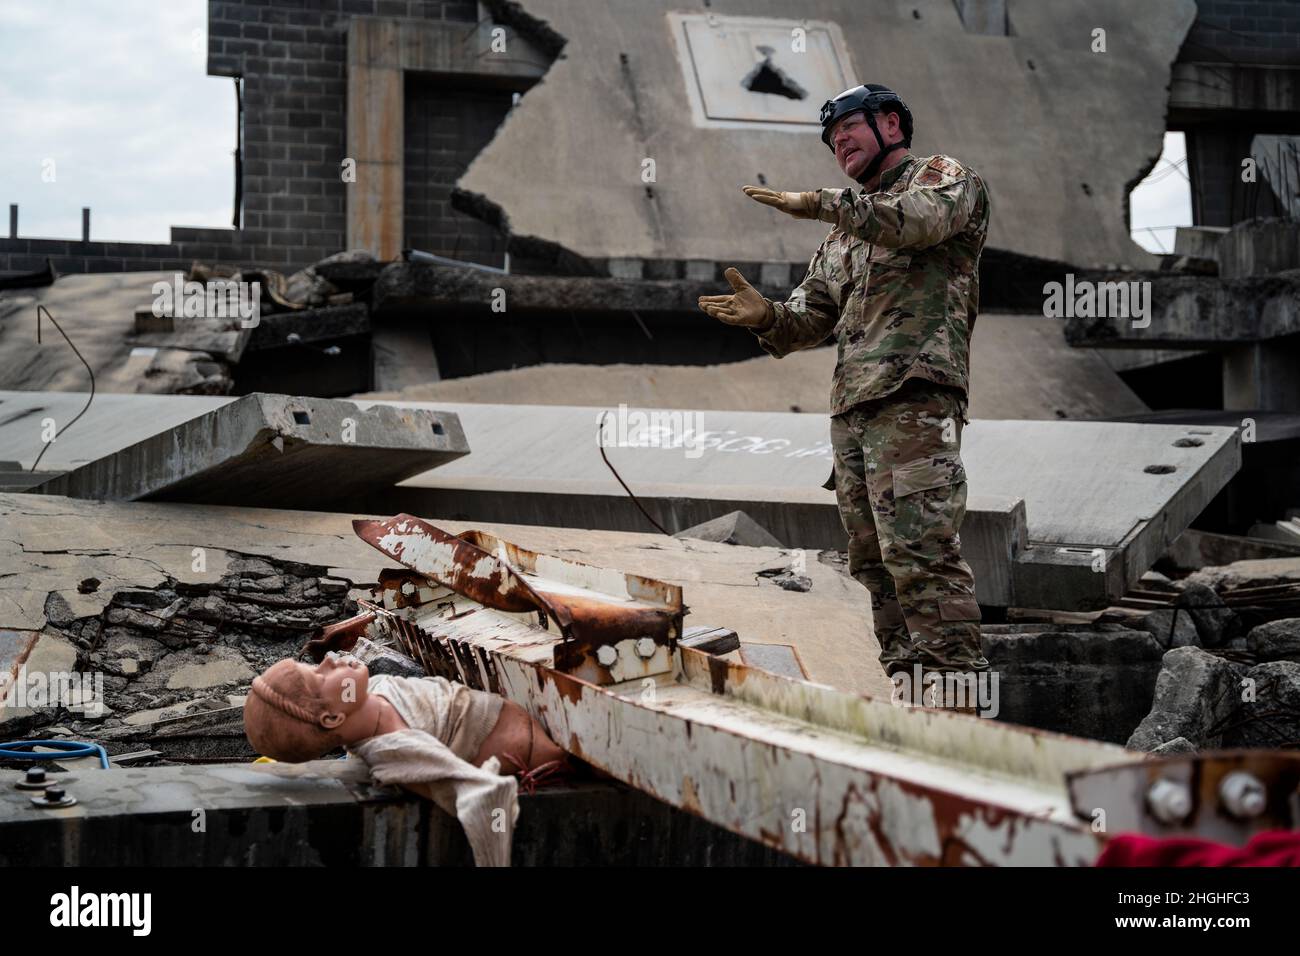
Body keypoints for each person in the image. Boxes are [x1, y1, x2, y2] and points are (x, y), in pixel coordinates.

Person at [698, 84, 993, 696]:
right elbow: (811, 316)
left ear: (890, 123)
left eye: (848, 128)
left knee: (920, 551)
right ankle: (904, 695)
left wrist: (822, 203)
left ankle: (958, 700)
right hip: (853, 411)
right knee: (872, 564)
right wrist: (767, 319)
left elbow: (918, 223)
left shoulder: (941, 178)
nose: (839, 142)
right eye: (830, 139)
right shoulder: (839, 238)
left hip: (917, 398)